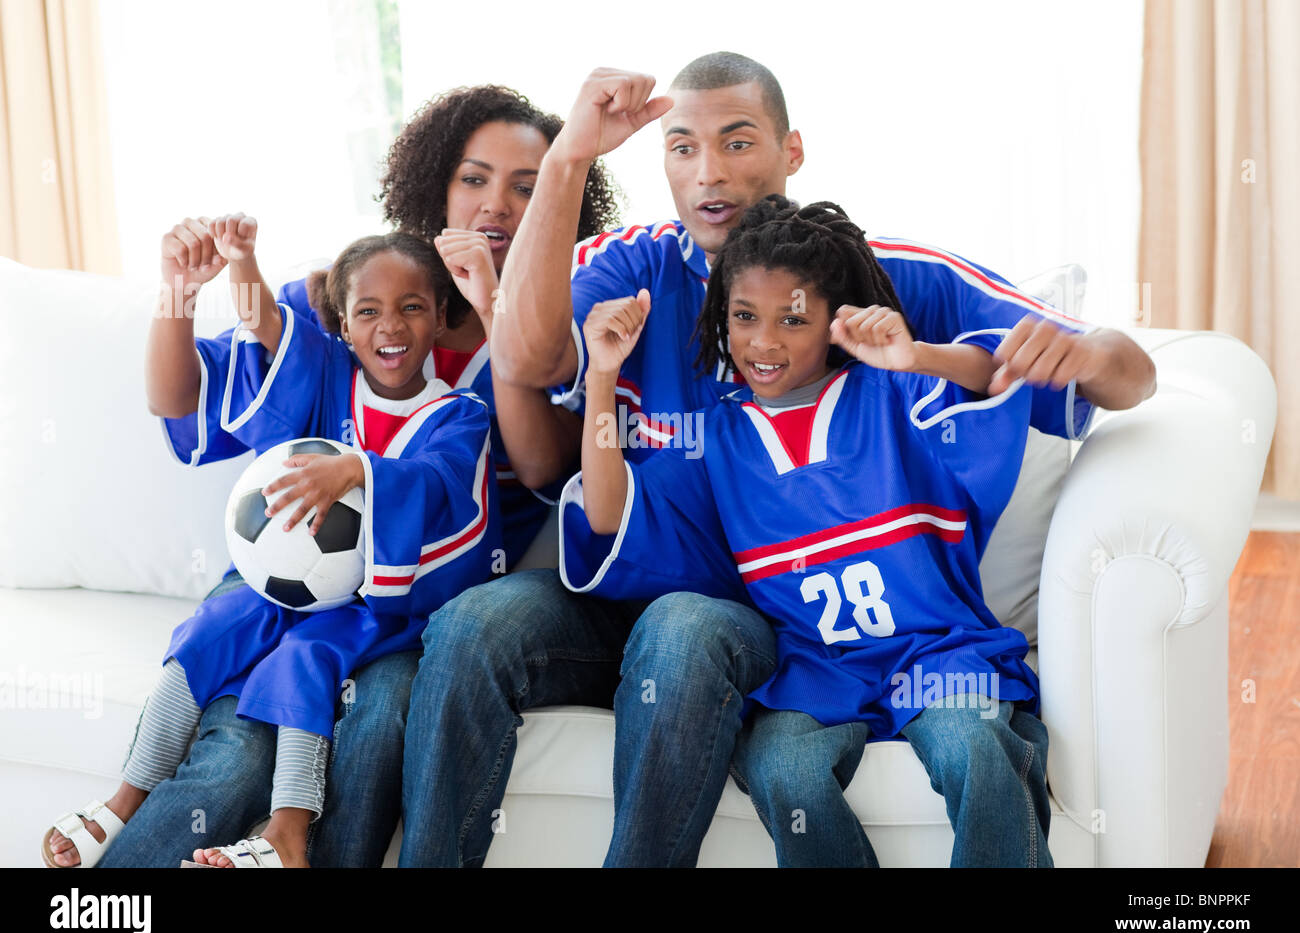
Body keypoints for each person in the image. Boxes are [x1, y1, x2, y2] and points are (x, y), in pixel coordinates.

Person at [397, 53, 1155, 867]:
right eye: (682, 147)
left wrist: (1076, 356)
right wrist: (569, 157)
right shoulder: (634, 269)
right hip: (644, 575)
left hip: (770, 627)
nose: (709, 173)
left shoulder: (884, 278)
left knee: (686, 628)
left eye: (737, 141)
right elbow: (531, 362)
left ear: (792, 151)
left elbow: (1121, 371)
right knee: (476, 625)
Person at [88, 86, 619, 868]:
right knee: (234, 756)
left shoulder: (558, 323)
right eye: (474, 179)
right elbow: (195, 401)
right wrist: (193, 286)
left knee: (371, 734)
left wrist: (499, 307)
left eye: (527, 186)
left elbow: (540, 467)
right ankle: (108, 891)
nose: (495, 206)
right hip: (288, 571)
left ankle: (291, 844)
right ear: (435, 183)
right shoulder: (354, 295)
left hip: (408, 602)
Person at [565, 196, 1051, 867]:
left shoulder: (889, 393)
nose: (763, 342)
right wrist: (602, 375)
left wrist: (916, 357)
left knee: (976, 748)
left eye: (792, 320)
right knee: (785, 772)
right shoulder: (719, 438)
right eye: (743, 318)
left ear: (832, 323)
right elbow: (605, 513)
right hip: (816, 671)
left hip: (937, 655)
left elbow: (995, 373)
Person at [45, 216, 501, 868]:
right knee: (212, 626)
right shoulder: (326, 374)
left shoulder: (457, 413)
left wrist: (358, 470)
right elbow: (271, 328)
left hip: (377, 604)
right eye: (368, 311)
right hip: (288, 583)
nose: (391, 327)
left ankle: (288, 831)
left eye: (412, 309)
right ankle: (123, 799)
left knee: (304, 657)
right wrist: (242, 262)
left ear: (438, 320)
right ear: (343, 327)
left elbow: (442, 486)